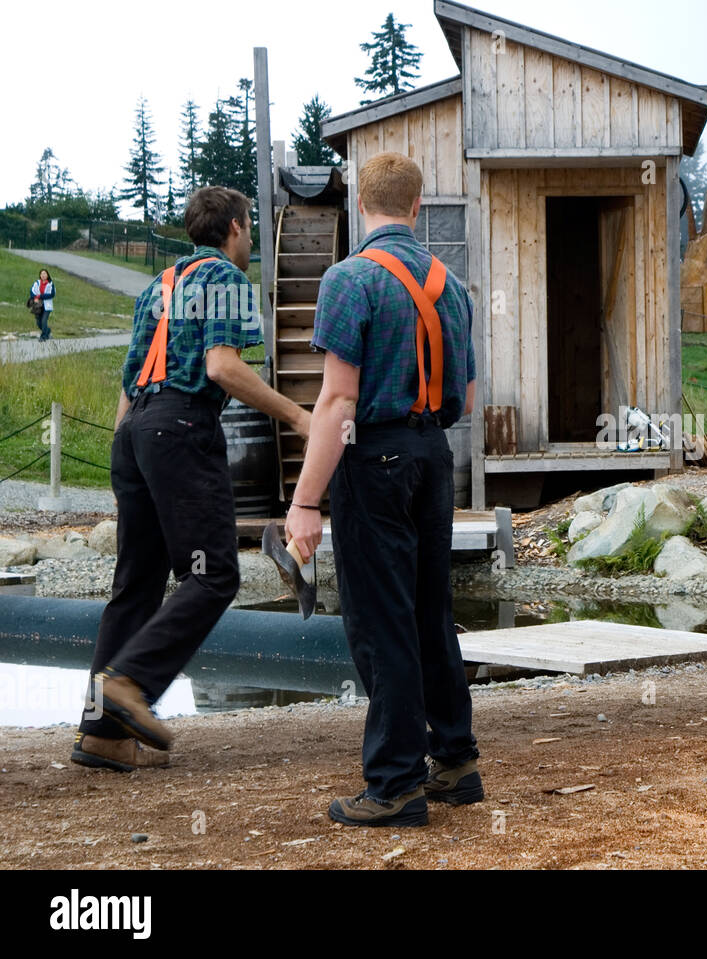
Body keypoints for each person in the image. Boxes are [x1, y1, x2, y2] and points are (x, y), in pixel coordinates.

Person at [71, 186, 312, 773]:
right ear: (233, 227)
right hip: (180, 430)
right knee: (212, 576)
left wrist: (124, 457)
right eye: (250, 228)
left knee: (136, 584)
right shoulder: (227, 280)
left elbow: (131, 382)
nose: (250, 241)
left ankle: (102, 733)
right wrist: (298, 416)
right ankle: (129, 684)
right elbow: (222, 367)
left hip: (136, 436)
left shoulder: (160, 285)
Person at [286, 152, 480, 828]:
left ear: (359, 205)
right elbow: (470, 395)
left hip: (375, 457)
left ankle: (396, 783)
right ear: (417, 207)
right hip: (434, 453)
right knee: (431, 606)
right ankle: (454, 759)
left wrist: (306, 500)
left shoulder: (350, 279)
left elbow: (338, 401)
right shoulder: (451, 287)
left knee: (381, 618)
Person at [29, 269, 54, 340]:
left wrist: (40, 296)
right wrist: (35, 297)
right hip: (38, 305)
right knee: (38, 322)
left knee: (44, 321)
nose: (43, 275)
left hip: (47, 306)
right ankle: (47, 331)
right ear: (40, 275)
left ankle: (43, 337)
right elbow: (32, 291)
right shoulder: (37, 283)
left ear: (47, 275)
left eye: (45, 274)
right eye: (42, 274)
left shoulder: (50, 284)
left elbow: (51, 294)